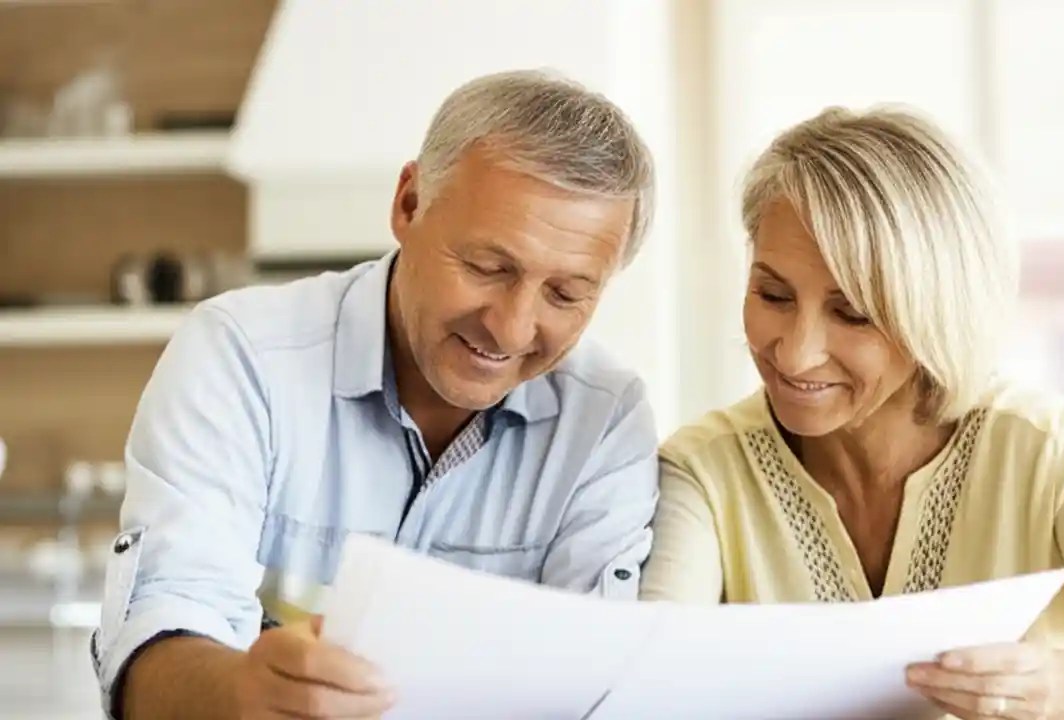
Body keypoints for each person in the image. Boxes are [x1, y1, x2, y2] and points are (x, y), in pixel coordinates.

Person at [640, 106, 1064, 719]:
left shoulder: (1041, 451)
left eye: (852, 313)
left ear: (934, 313)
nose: (796, 353)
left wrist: (1052, 688)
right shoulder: (703, 472)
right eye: (772, 294)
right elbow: (644, 685)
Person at [93, 69, 660, 720]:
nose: (510, 327)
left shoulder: (606, 422)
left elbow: (599, 686)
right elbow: (157, 641)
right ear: (409, 203)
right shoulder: (242, 356)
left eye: (565, 294)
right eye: (486, 267)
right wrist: (243, 694)